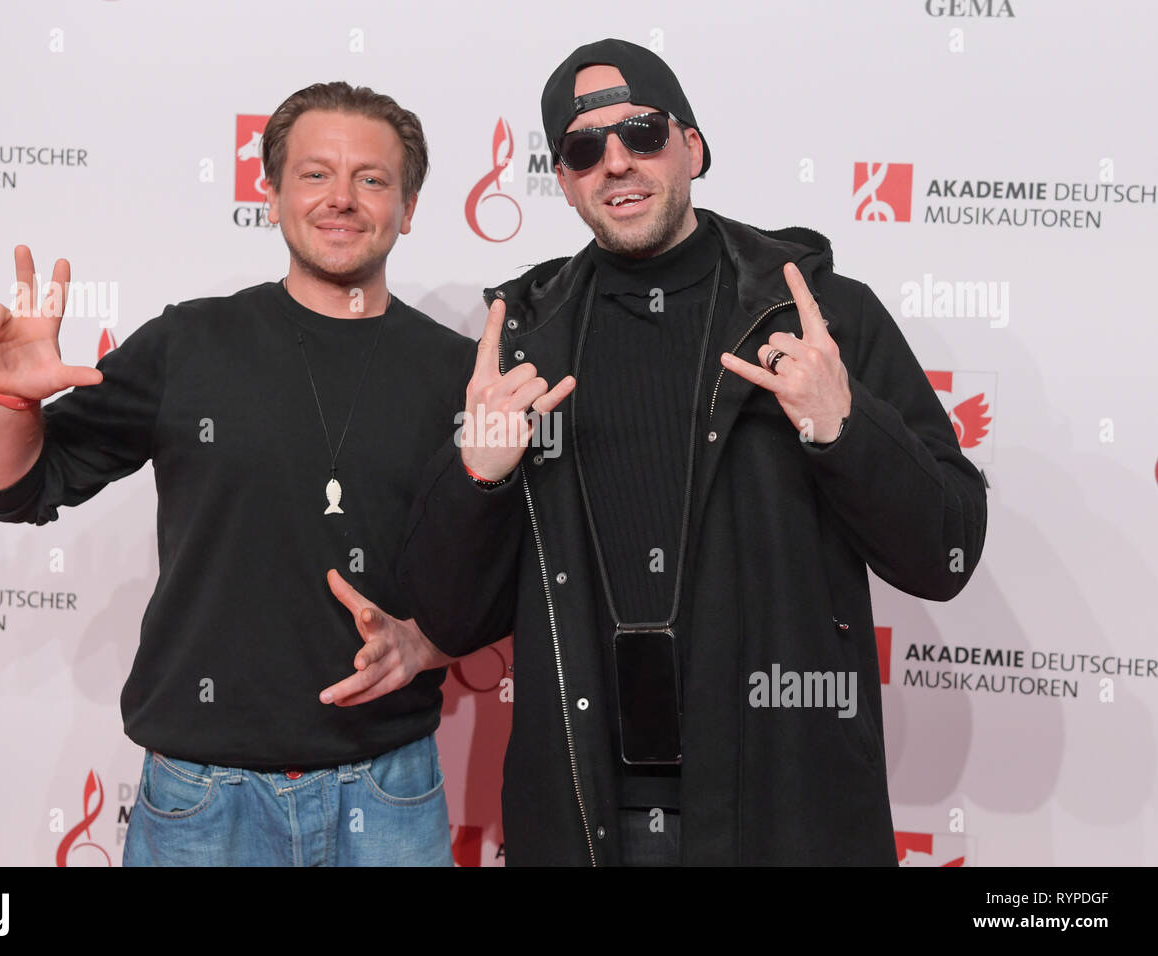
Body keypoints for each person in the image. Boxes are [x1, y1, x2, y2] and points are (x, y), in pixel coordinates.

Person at [401, 39, 988, 866]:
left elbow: (946, 551)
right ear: (565, 183)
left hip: (785, 811)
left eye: (643, 132)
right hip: (586, 817)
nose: (616, 162)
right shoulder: (525, 346)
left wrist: (842, 427)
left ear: (693, 147)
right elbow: (454, 618)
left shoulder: (819, 317)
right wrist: (477, 478)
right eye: (582, 148)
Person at [0, 82, 476, 866]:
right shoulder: (190, 342)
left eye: (371, 179)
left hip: (389, 791)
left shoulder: (457, 372)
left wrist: (429, 645)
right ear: (269, 196)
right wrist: (6, 397)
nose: (341, 198)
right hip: (201, 799)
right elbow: (14, 489)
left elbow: (507, 568)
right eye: (314, 175)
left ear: (407, 208)